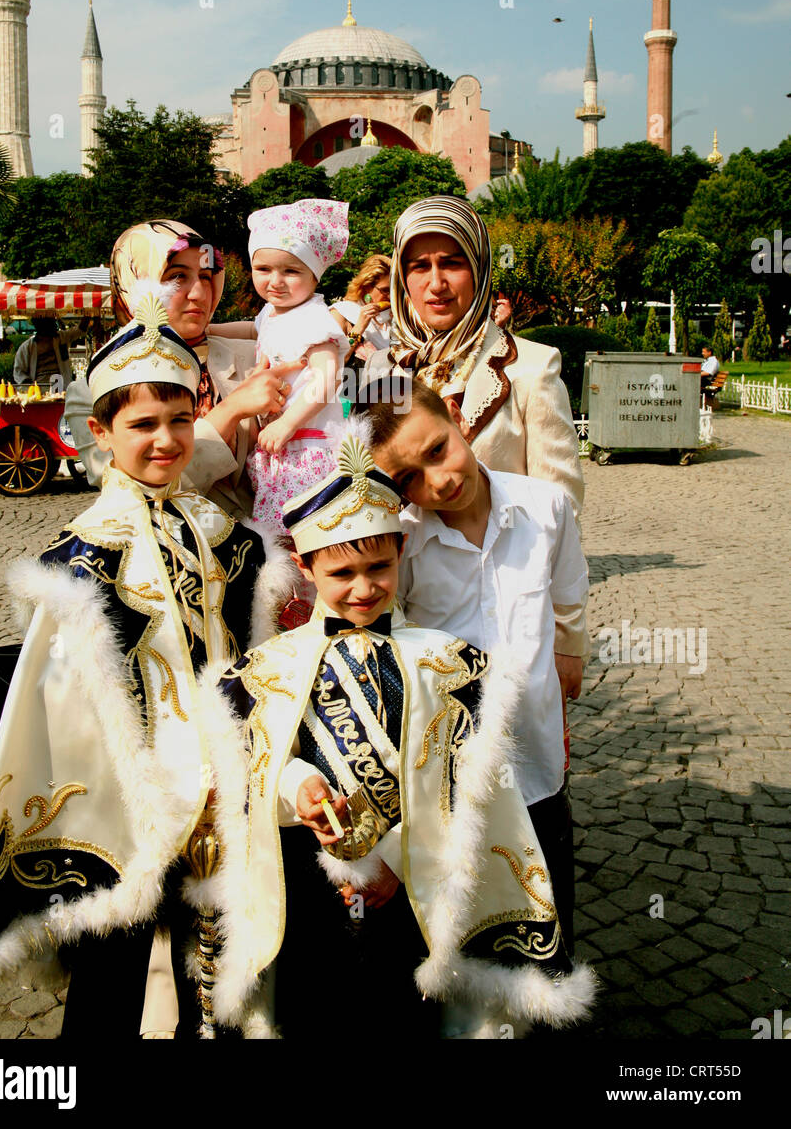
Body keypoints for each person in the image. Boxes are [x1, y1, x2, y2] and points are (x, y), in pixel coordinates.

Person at [0, 285, 276, 1040]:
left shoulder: (226, 537)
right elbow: (61, 721)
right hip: (131, 813)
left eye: (180, 420)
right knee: (121, 983)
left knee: (217, 972)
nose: (165, 439)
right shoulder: (80, 563)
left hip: (225, 799)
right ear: (101, 432)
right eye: (143, 424)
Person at [214, 433, 594, 1039]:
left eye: (379, 567)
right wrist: (300, 789)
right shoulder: (267, 672)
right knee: (320, 1011)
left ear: (401, 554)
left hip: (417, 889)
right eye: (341, 572)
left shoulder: (454, 667)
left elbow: (462, 796)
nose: (363, 588)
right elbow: (258, 771)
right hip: (310, 885)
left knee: (406, 1016)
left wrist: (393, 859)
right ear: (307, 568)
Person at [363, 378, 589, 959]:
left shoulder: (546, 509)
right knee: (463, 920)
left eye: (438, 449)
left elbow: (568, 591)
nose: (437, 480)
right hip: (451, 769)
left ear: (457, 418)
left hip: (536, 759)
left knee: (547, 909)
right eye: (409, 477)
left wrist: (569, 651)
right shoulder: (405, 544)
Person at [362, 195, 585, 708]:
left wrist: (567, 642)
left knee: (527, 769)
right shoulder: (379, 372)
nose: (435, 284)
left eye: (452, 263)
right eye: (419, 266)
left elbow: (562, 507)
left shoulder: (529, 367)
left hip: (514, 613)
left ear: (480, 268)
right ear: (401, 276)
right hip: (419, 615)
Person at [64, 219, 303, 519]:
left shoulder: (256, 358)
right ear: (134, 281)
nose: (199, 294)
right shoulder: (92, 389)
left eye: (206, 277)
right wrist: (230, 410)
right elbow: (133, 497)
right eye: (176, 277)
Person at [209, 199, 350, 531]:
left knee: (306, 530)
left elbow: (328, 377)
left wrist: (287, 423)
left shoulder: (314, 318)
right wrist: (208, 330)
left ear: (314, 276)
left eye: (291, 271)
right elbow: (250, 328)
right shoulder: (272, 312)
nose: (275, 281)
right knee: (277, 533)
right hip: (280, 446)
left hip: (306, 443)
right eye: (264, 270)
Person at [330, 253, 392, 361]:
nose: (391, 296)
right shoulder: (342, 312)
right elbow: (333, 360)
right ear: (367, 286)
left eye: (394, 291)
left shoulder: (392, 318)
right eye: (385, 290)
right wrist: (359, 326)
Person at [13, 315, 85, 390]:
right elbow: (18, 371)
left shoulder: (62, 338)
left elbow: (80, 329)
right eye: (51, 322)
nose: (54, 325)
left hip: (62, 387)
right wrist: (30, 386)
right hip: (40, 389)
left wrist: (88, 312)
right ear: (42, 325)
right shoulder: (27, 347)